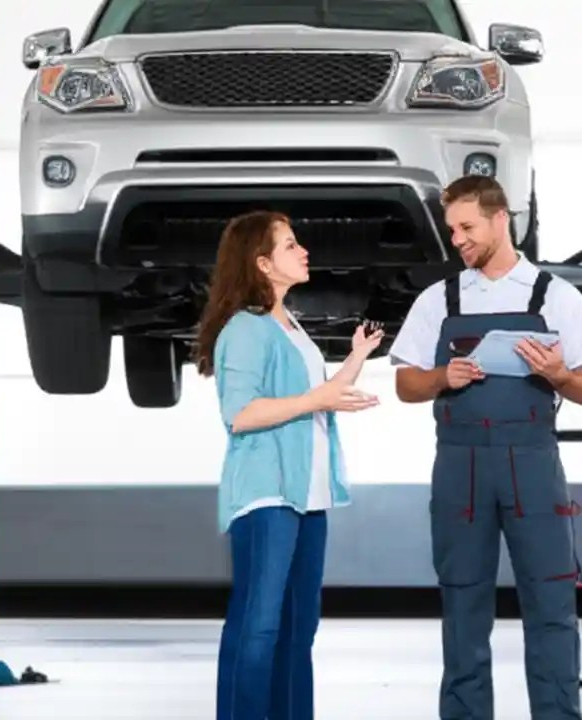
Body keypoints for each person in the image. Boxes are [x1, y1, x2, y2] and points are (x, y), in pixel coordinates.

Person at [387, 175, 582, 720]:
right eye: (452, 230)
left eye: (466, 227)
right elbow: (404, 385)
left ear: (500, 219)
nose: (457, 239)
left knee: (552, 602)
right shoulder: (439, 299)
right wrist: (443, 375)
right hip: (460, 465)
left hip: (532, 460)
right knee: (462, 603)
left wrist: (558, 373)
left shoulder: (556, 296)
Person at [193, 209, 383, 720]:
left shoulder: (290, 325)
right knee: (258, 626)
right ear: (262, 264)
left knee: (299, 629)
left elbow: (314, 395)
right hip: (267, 497)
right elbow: (242, 413)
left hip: (308, 496)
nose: (303, 252)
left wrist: (355, 359)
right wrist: (318, 398)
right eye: (290, 245)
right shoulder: (246, 329)